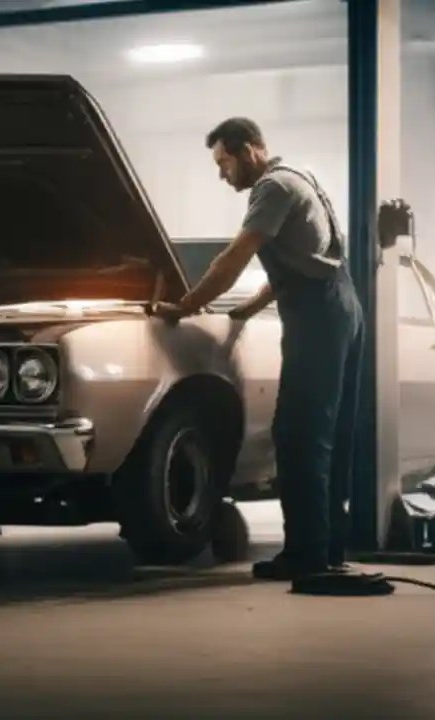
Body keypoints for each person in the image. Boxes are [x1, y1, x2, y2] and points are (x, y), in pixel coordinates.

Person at [154, 117, 388, 594]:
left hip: (319, 315)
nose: (222, 175)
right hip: (338, 306)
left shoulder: (270, 189)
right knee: (326, 434)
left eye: (223, 163)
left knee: (301, 434)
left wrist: (186, 306)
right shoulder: (300, 179)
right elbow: (302, 259)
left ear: (248, 152)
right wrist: (249, 307)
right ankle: (323, 551)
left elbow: (235, 256)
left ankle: (307, 557)